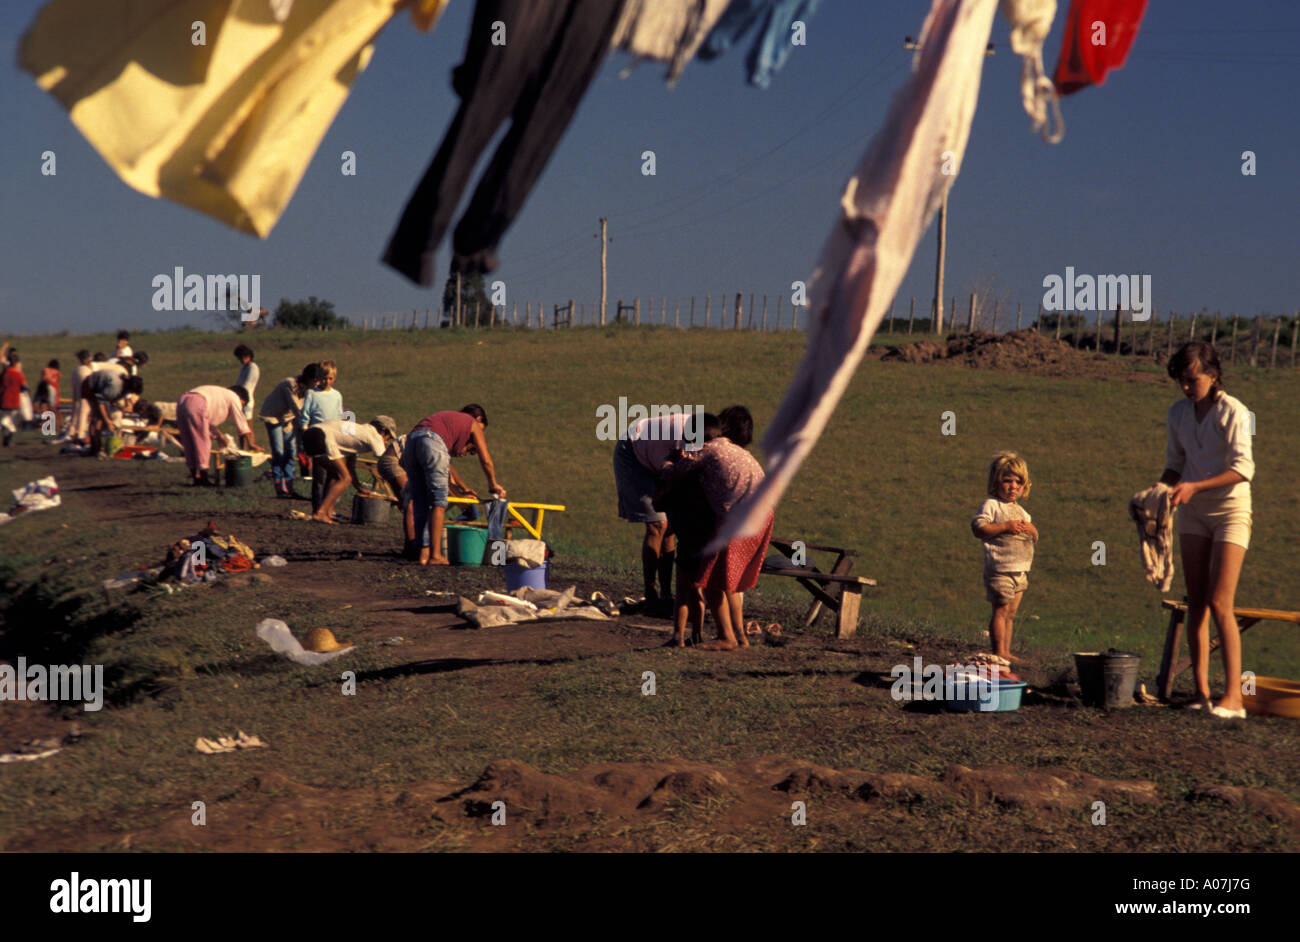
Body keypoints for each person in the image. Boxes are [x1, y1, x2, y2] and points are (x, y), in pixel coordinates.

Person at [1157, 341, 1254, 719]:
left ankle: (1234, 697)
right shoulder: (1178, 413)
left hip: (1231, 510)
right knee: (1194, 600)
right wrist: (1158, 491)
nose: (1185, 387)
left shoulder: (1235, 412)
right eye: (1180, 380)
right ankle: (1200, 692)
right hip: (1192, 512)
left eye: (1191, 380)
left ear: (1213, 376)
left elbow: (1243, 470)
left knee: (1220, 603)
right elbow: (1175, 463)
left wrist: (1194, 486)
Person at [685, 405, 774, 651]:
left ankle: (727, 638)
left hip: (738, 517)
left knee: (711, 583)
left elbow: (678, 472)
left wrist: (673, 461)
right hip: (763, 515)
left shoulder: (708, 450)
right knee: (729, 583)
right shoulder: (741, 452)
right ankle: (741, 637)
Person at [614, 409, 700, 612]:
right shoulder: (682, 443)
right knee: (657, 524)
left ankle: (667, 594)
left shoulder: (701, 442)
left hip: (657, 455)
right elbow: (670, 476)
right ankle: (650, 593)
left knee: (670, 527)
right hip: (634, 453)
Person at [401, 405, 506, 565]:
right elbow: (486, 460)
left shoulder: (447, 419)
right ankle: (436, 556)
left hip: (411, 442)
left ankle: (423, 553)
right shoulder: (472, 423)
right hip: (432, 442)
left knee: (420, 501)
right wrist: (493, 484)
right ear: (478, 419)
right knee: (439, 502)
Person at [655, 412, 721, 646]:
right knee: (699, 589)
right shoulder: (713, 462)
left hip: (687, 534)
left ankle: (677, 635)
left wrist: (671, 461)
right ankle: (698, 633)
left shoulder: (685, 464)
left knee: (683, 588)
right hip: (708, 534)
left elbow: (663, 487)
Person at [971, 452, 1039, 663]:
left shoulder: (1022, 511)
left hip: (1020, 570)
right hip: (1000, 569)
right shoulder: (991, 505)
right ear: (996, 482)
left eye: (1018, 482)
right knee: (1001, 608)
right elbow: (978, 527)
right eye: (1007, 481)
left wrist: (1031, 529)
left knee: (1011, 612)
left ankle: (1006, 652)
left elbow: (1034, 537)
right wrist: (1004, 526)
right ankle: (998, 651)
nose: (1013, 486)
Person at [302, 415, 397, 523]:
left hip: (309, 434)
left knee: (336, 475)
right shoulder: (374, 435)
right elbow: (386, 459)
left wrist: (359, 488)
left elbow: (350, 467)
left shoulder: (358, 434)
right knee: (344, 478)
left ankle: (328, 512)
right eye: (388, 437)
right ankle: (321, 513)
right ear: (383, 430)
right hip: (322, 435)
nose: (386, 441)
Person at [176, 384, 259, 485]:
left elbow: (207, 423)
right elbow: (241, 423)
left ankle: (195, 477)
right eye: (243, 405)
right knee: (203, 442)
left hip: (182, 401)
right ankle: (204, 478)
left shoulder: (219, 394)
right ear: (242, 399)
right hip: (197, 403)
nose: (241, 407)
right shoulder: (234, 397)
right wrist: (251, 444)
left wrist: (220, 437)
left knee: (188, 440)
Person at [259, 363, 318, 499]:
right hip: (273, 417)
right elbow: (297, 408)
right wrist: (306, 427)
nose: (316, 384)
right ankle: (280, 487)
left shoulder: (309, 389)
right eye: (315, 380)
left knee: (291, 451)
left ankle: (289, 486)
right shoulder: (290, 384)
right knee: (279, 452)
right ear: (308, 378)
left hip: (287, 419)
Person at [301, 359, 343, 429]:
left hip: (333, 431)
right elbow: (305, 414)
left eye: (330, 378)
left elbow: (339, 415)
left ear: (334, 378)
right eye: (324, 378)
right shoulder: (311, 393)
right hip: (316, 431)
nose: (327, 381)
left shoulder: (337, 395)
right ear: (318, 377)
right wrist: (304, 428)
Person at [1, 352, 28, 447]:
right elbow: (24, 387)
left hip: (5, 399)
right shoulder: (18, 374)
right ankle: (8, 438)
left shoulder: (5, 373)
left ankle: (8, 436)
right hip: (15, 401)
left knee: (5, 420)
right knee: (10, 420)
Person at [233, 344, 260, 421]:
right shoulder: (245, 368)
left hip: (246, 399)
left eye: (243, 357)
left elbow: (246, 387)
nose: (241, 360)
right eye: (239, 358)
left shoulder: (253, 367)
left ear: (249, 356)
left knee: (248, 428)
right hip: (241, 399)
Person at [35, 359, 61, 428]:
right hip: (51, 388)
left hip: (43, 386)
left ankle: (43, 425)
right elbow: (56, 385)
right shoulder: (57, 372)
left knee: (43, 406)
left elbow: (42, 379)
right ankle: (55, 425)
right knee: (53, 408)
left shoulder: (45, 370)